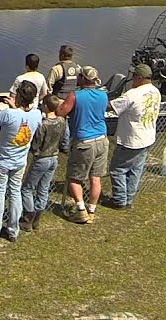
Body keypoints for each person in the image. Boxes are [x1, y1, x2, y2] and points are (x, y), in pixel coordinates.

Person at [0, 80, 40, 244]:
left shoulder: (8, 114)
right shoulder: (37, 114)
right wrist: (15, 107)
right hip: (20, 161)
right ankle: (13, 230)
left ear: (19, 96)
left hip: (3, 161)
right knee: (15, 193)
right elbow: (23, 118)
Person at [55, 66, 109, 224]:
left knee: (74, 178)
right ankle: (91, 210)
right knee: (96, 178)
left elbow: (61, 112)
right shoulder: (103, 95)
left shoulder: (75, 95)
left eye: (79, 75)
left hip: (84, 142)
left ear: (83, 78)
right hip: (102, 139)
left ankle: (81, 210)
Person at [107, 63, 162, 210]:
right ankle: (129, 198)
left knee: (117, 169)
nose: (131, 79)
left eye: (133, 76)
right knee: (136, 170)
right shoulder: (155, 91)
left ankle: (119, 200)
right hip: (147, 137)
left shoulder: (133, 94)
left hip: (131, 139)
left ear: (139, 77)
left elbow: (111, 106)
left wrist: (95, 100)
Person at [19, 94, 64, 232]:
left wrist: (34, 151)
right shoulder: (62, 121)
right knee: (43, 188)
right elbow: (63, 139)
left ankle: (28, 216)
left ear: (45, 106)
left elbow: (36, 144)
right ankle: (37, 217)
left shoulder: (43, 125)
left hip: (42, 158)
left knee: (27, 188)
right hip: (54, 157)